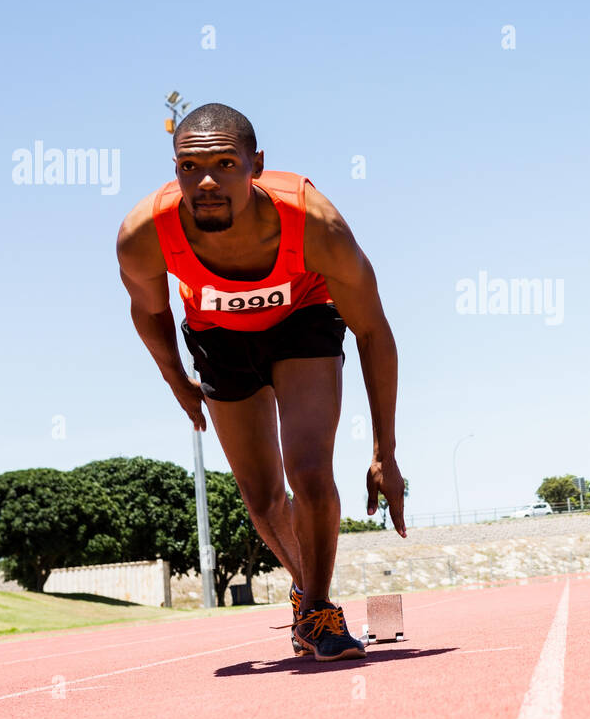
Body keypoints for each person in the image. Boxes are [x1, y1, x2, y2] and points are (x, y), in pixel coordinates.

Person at [116, 103, 405, 661]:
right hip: (218, 335)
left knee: (310, 468)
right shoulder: (143, 233)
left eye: (225, 164)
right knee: (262, 495)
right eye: (189, 167)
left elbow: (372, 331)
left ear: (256, 165)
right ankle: (308, 591)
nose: (206, 182)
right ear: (174, 169)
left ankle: (319, 612)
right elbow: (148, 310)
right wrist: (177, 378)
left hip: (303, 317)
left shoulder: (314, 223)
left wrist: (384, 452)